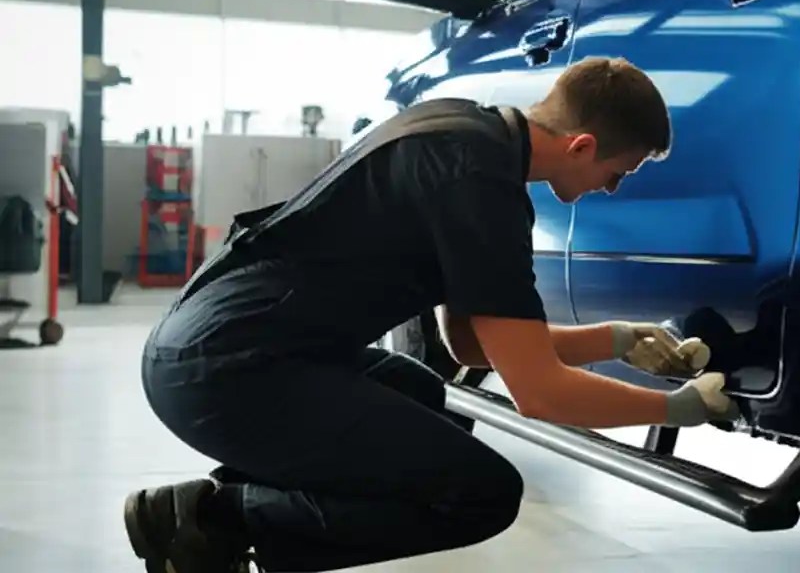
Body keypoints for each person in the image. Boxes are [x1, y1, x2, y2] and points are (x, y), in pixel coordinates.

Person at [121, 57, 737, 573]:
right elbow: (542, 393)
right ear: (582, 146)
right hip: (226, 374)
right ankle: (214, 517)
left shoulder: (463, 134)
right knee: (481, 494)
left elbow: (468, 345)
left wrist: (618, 338)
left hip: (208, 351)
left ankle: (223, 511)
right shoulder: (482, 186)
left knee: (416, 388)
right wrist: (677, 407)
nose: (612, 189)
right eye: (616, 172)